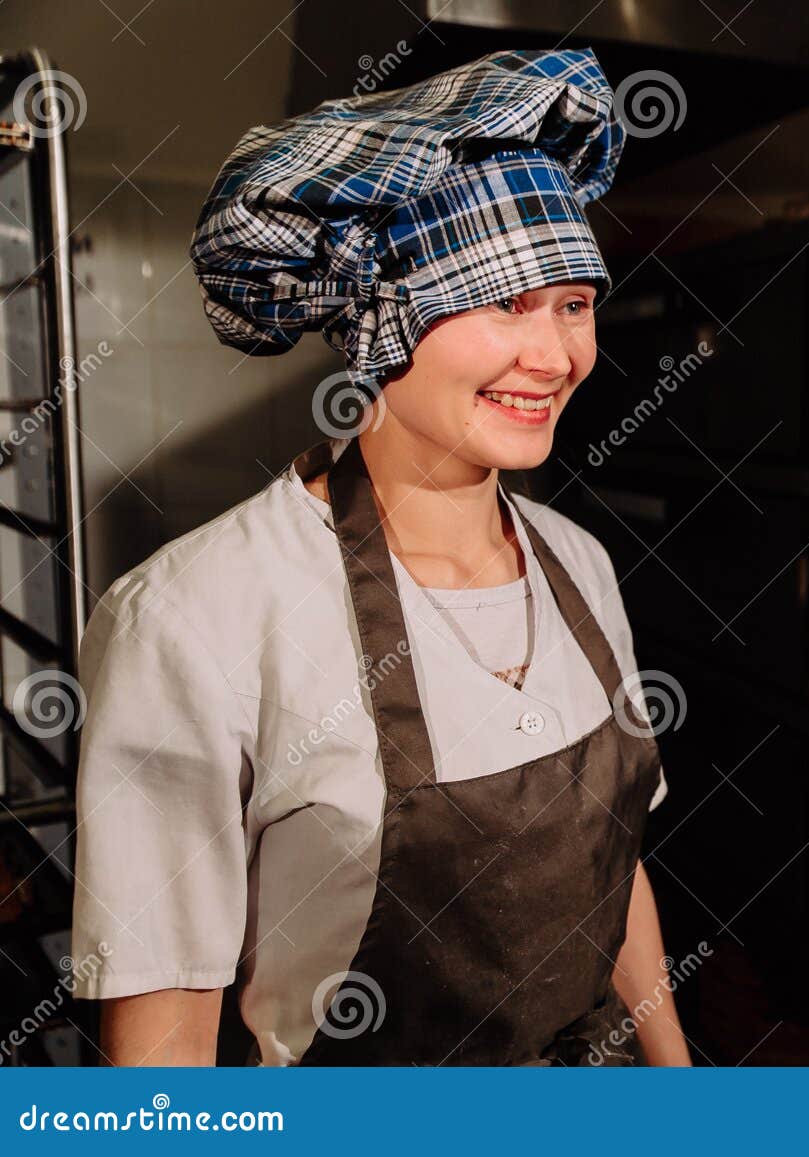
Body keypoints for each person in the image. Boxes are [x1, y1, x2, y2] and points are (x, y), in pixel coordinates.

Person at [69, 48, 690, 1066]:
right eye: (503, 302)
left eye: (573, 302)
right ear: (379, 322)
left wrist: (678, 1083)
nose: (555, 356)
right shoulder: (195, 616)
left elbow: (611, 880)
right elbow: (166, 1038)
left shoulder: (577, 561)